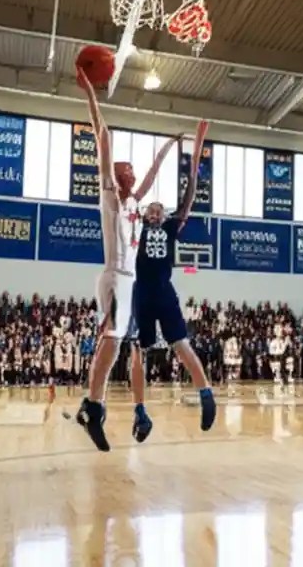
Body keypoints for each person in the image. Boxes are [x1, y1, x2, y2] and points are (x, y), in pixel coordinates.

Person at [74, 67, 182, 452]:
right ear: (117, 175)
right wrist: (91, 95)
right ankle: (93, 404)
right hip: (115, 276)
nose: (132, 172)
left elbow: (152, 173)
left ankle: (105, 405)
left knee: (123, 344)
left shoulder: (135, 202)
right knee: (111, 341)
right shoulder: (109, 196)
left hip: (131, 281)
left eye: (134, 170)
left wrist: (168, 149)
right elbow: (102, 138)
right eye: (127, 169)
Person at [130, 122, 217, 440]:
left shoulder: (169, 228)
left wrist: (196, 155)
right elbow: (147, 177)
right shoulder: (134, 226)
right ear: (143, 216)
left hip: (164, 291)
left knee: (181, 343)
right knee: (137, 349)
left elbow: (189, 197)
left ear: (165, 218)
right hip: (141, 292)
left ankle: (206, 393)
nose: (153, 212)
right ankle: (140, 411)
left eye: (158, 210)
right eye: (150, 210)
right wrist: (165, 148)